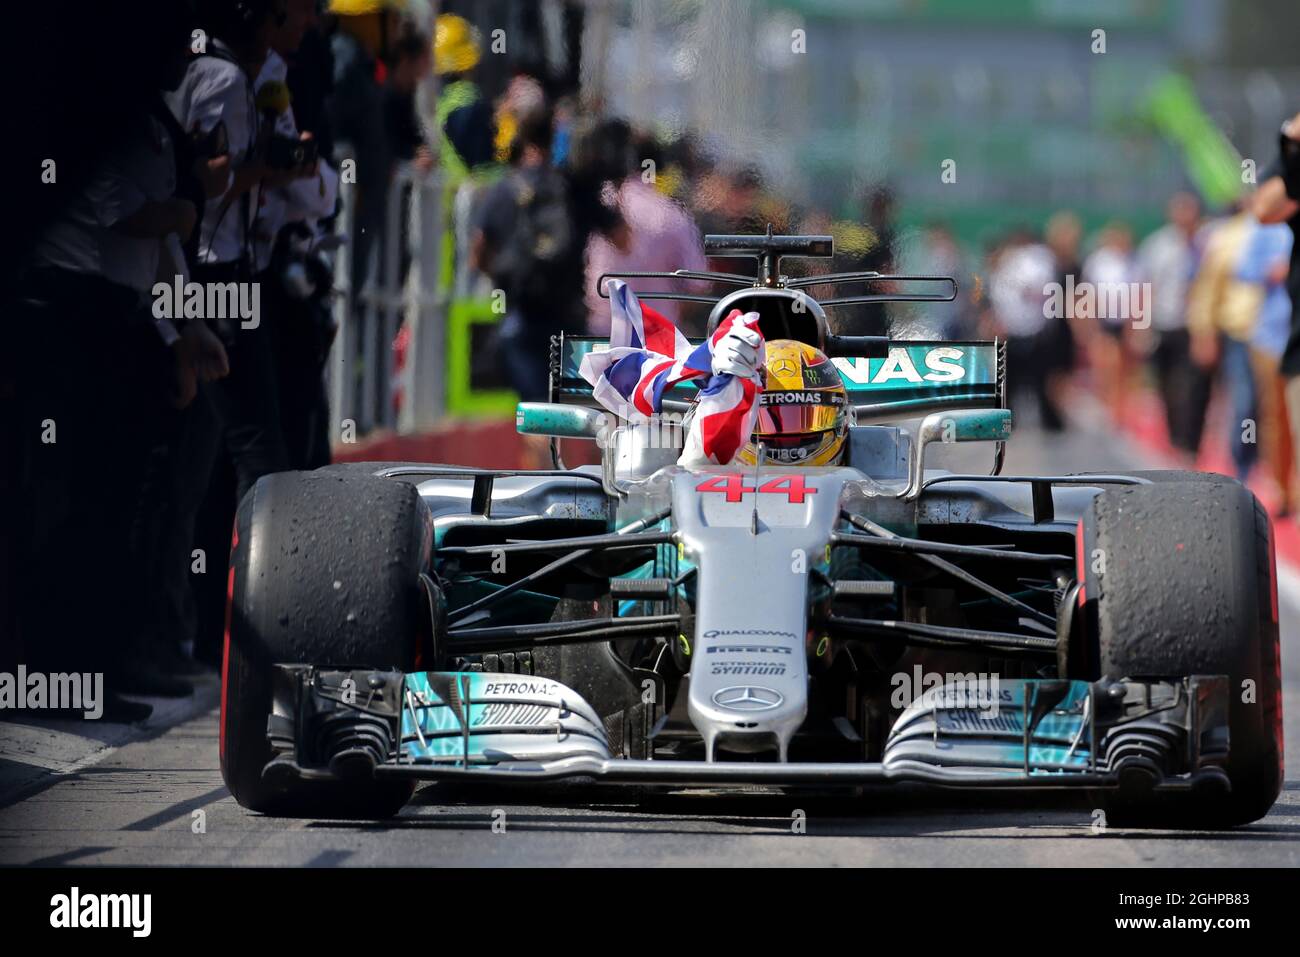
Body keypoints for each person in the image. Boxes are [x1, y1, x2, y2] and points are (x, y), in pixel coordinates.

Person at [9, 0, 228, 717]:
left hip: (119, 316)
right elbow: (123, 217)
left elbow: (156, 254)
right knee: (71, 499)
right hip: (69, 312)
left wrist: (185, 331)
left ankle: (102, 671)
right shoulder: (93, 120)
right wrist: (187, 210)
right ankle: (54, 673)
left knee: (119, 504)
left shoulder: (149, 125)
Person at [471, 106, 623, 404]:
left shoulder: (504, 189)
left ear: (521, 138)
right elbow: (623, 238)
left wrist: (503, 275)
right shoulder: (573, 188)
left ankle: (541, 449)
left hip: (522, 314)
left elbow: (477, 255)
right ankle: (593, 451)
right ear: (555, 138)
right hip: (569, 315)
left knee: (535, 412)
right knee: (587, 410)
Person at [583, 120, 707, 336]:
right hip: (657, 340)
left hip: (601, 333)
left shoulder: (599, 206)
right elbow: (698, 285)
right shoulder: (673, 215)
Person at [1251, 110, 1300, 506]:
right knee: (1274, 419)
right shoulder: (1293, 171)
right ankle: (1283, 488)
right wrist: (1292, 143)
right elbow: (1265, 208)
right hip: (1277, 334)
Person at [1136, 192, 1209, 460]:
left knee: (1194, 384)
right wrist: (1141, 325)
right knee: (1167, 383)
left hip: (1196, 325)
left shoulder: (1207, 243)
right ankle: (1174, 437)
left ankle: (1190, 443)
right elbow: (1146, 287)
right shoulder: (1158, 246)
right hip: (1164, 323)